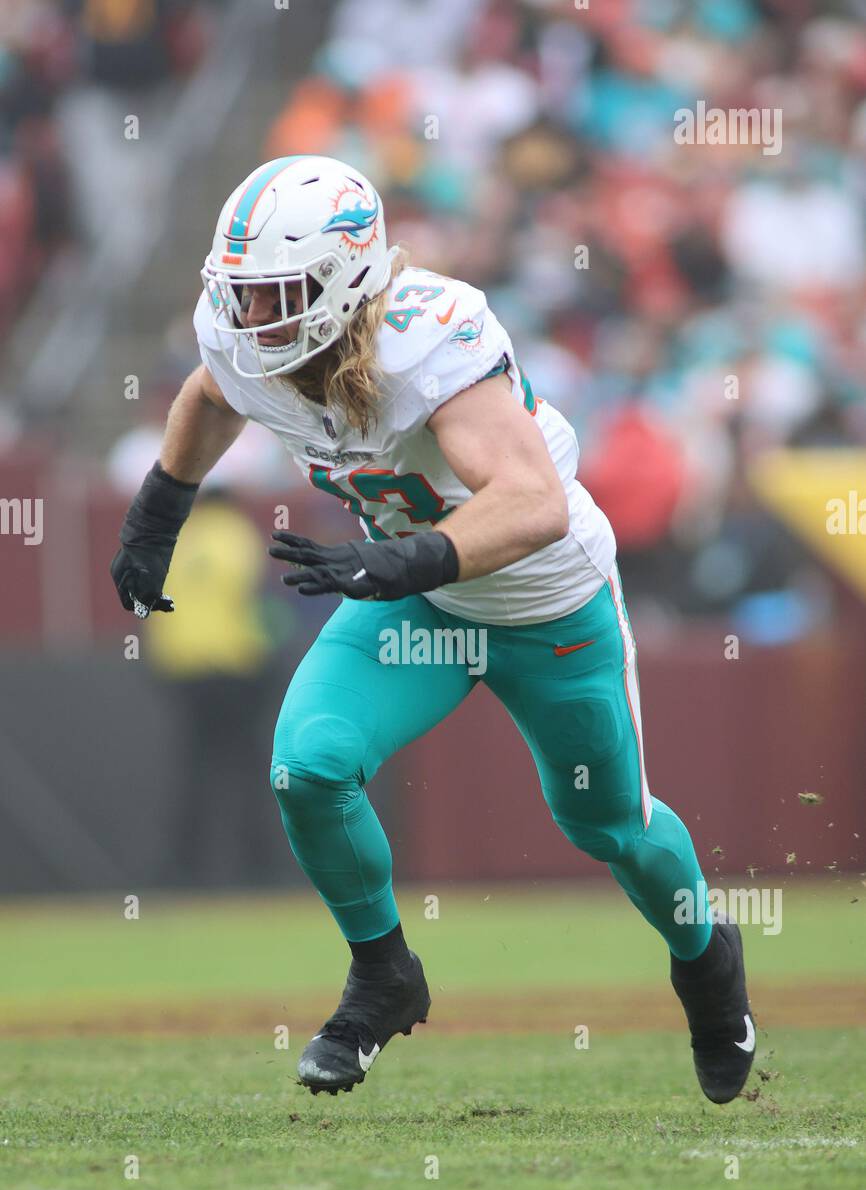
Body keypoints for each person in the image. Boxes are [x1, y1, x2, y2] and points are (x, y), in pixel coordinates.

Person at [110, 155, 755, 1102]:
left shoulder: (428, 338)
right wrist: (159, 511)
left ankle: (707, 960)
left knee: (609, 824)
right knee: (308, 765)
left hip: (542, 602)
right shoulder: (247, 341)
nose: (253, 320)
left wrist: (399, 560)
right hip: (421, 597)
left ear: (346, 281)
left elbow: (532, 503)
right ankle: (384, 974)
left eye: (279, 295)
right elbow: (213, 392)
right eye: (242, 295)